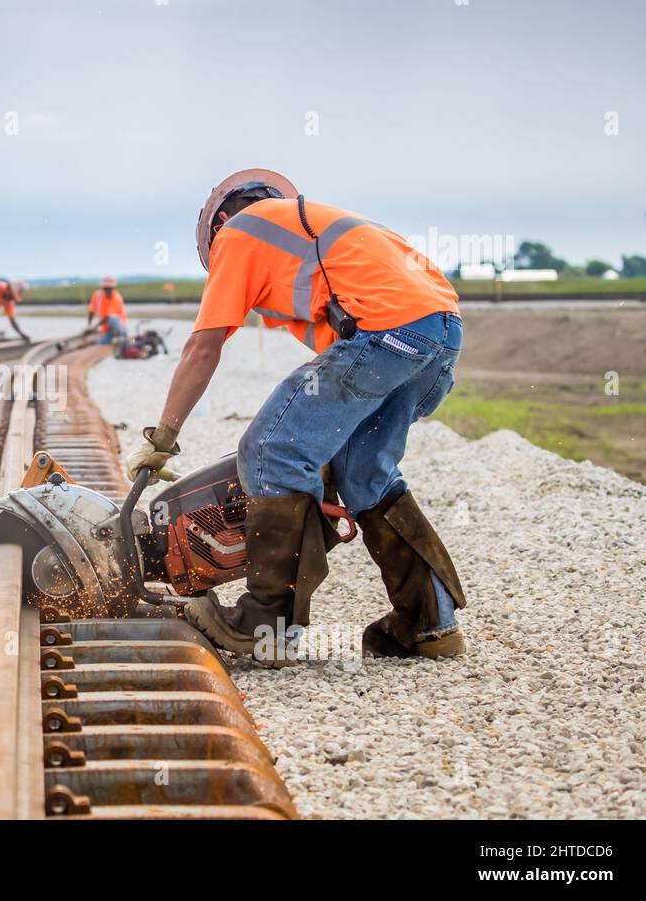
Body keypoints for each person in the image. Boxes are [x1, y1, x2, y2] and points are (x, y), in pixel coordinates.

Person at [124, 168, 467, 663]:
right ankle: (429, 623)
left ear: (220, 221)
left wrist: (163, 436)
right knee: (364, 471)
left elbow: (203, 346)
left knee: (271, 449)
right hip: (439, 338)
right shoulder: (316, 239)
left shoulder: (241, 231)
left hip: (390, 332)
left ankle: (266, 625)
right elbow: (342, 379)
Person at [86, 276, 127, 344]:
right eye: (106, 288)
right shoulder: (97, 295)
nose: (108, 290)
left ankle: (121, 337)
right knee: (100, 344)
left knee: (113, 318)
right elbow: (91, 311)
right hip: (106, 329)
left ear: (113, 288)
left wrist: (94, 327)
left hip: (119, 326)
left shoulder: (117, 298)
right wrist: (89, 326)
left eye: (110, 288)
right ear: (103, 288)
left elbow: (108, 317)